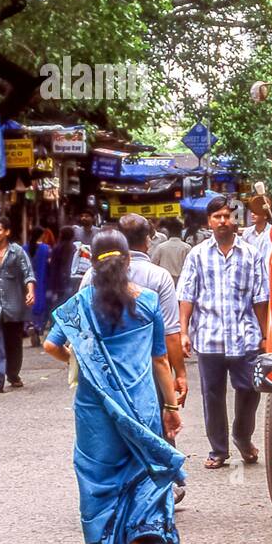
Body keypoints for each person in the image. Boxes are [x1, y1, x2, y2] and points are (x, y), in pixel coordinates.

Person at [43, 230, 185, 544]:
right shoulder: (148, 301)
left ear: (90, 260)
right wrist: (171, 406)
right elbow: (159, 361)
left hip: (94, 412)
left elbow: (50, 345)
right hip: (141, 407)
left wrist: (78, 361)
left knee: (98, 483)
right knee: (143, 474)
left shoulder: (77, 307)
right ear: (128, 261)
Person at [80, 214, 190, 502]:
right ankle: (159, 486)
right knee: (156, 423)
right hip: (146, 370)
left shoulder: (90, 278)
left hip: (103, 373)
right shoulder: (158, 278)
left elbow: (79, 330)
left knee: (112, 427)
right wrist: (179, 374)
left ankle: (121, 490)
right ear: (147, 240)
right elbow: (169, 335)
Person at [178, 195, 270, 469]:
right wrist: (183, 332)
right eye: (217, 217)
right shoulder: (197, 255)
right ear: (209, 222)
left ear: (234, 219)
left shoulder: (251, 253)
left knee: (249, 390)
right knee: (213, 396)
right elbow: (186, 295)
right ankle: (219, 450)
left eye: (227, 216)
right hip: (209, 338)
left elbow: (260, 297)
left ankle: (242, 436)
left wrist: (267, 335)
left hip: (246, 338)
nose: (222, 221)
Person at [0, 216, 36, 394]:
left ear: (7, 232)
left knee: (13, 343)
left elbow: (28, 273)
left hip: (13, 304)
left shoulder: (17, 252)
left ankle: (12, 373)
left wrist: (30, 291)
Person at [25, 226, 53, 345]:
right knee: (42, 307)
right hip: (42, 281)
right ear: (42, 235)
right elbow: (50, 265)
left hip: (26, 283)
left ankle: (30, 325)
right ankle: (37, 327)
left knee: (29, 306)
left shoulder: (23, 248)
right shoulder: (46, 249)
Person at [150, 220, 191, 284]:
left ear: (168, 232)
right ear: (180, 232)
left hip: (164, 280)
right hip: (181, 280)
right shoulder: (186, 248)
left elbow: (153, 264)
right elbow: (190, 266)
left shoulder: (161, 247)